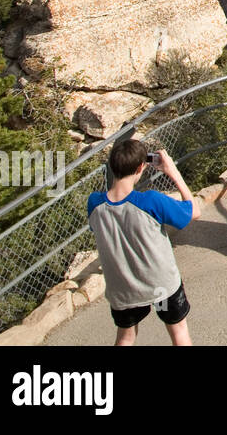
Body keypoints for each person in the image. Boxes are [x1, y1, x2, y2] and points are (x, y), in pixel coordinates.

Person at [87, 140, 200, 346]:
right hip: (161, 285)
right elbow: (194, 211)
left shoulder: (94, 203)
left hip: (123, 289)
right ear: (141, 167)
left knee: (126, 337)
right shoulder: (150, 200)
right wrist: (173, 172)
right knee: (178, 332)